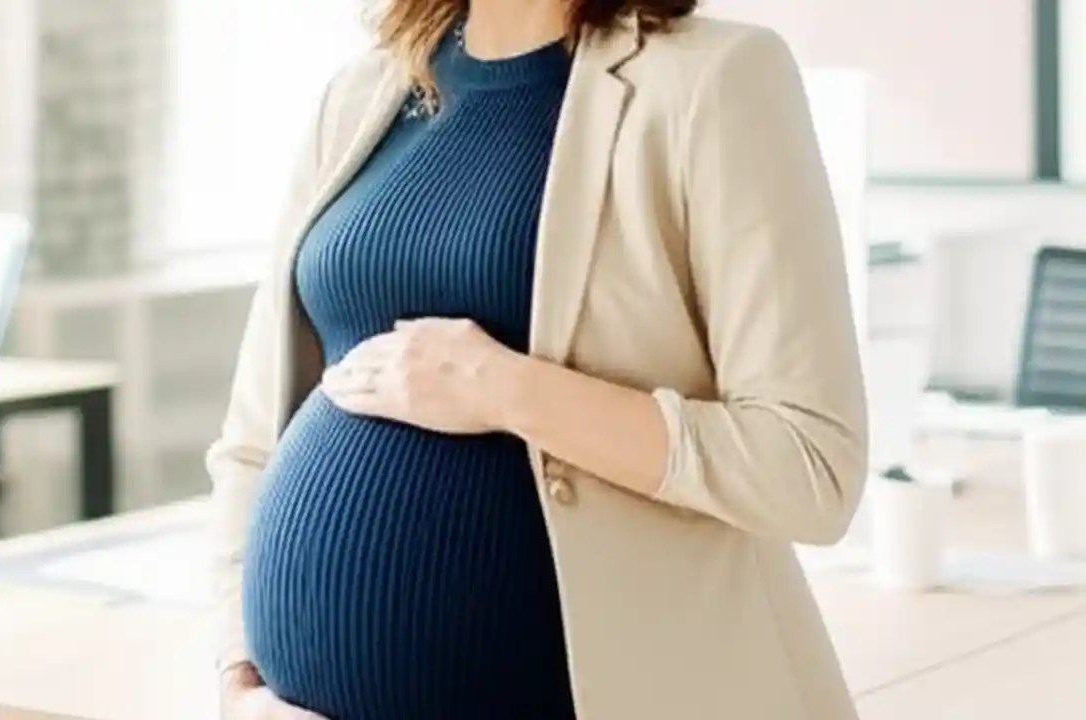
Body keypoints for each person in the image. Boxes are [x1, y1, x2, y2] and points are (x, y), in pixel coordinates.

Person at [207, 0, 868, 718]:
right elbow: (253, 442)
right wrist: (239, 682)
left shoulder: (714, 81)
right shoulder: (360, 94)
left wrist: (506, 390)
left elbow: (809, 464)